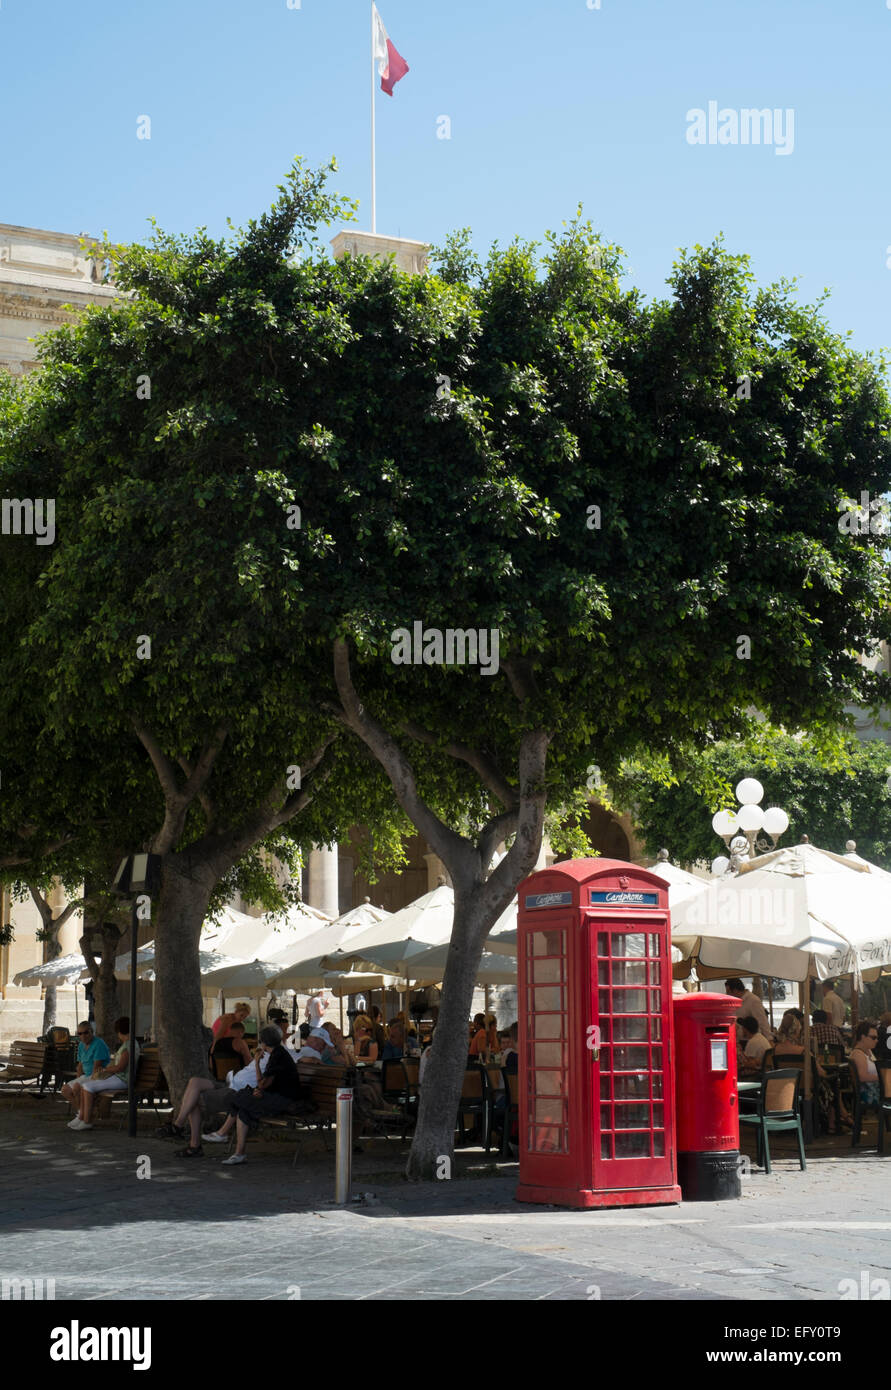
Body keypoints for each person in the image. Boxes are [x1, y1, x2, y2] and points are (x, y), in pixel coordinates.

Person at [221, 1025, 304, 1165]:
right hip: (277, 1096)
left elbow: (262, 1083)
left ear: (264, 1043)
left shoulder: (278, 1056)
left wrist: (257, 1063)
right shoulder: (277, 1053)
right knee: (244, 1109)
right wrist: (260, 1091)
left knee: (241, 1097)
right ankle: (239, 1153)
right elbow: (267, 1084)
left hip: (286, 1102)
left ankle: (223, 1133)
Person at [161, 1050, 271, 1155]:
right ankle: (178, 1125)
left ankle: (191, 1143)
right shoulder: (264, 1053)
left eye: (263, 1042)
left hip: (238, 1092)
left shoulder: (276, 1057)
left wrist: (256, 1062)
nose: (262, 1045)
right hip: (230, 1084)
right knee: (194, 1082)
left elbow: (263, 1083)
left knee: (193, 1098)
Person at [68, 1017, 139, 1131]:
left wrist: (107, 1070)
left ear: (119, 1032)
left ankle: (87, 1121)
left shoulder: (127, 1047)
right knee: (85, 1086)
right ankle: (82, 1118)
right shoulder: (131, 1043)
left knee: (87, 1086)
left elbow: (121, 1067)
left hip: (123, 1080)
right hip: (121, 1078)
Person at [60, 1021, 111, 1108]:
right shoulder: (81, 1045)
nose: (83, 1036)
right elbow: (80, 1066)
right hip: (86, 1076)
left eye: (86, 1032)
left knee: (76, 1088)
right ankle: (81, 1115)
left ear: (92, 1031)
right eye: (80, 1033)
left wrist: (79, 1083)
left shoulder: (99, 1044)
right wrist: (78, 1079)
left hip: (99, 1076)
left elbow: (96, 1068)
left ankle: (84, 1118)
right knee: (65, 1090)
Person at [850, 1020, 880, 1107]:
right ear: (863, 1037)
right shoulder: (858, 1054)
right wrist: (883, 1077)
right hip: (870, 1094)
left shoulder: (868, 1051)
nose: (876, 1040)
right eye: (873, 1038)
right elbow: (862, 1077)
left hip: (875, 1090)